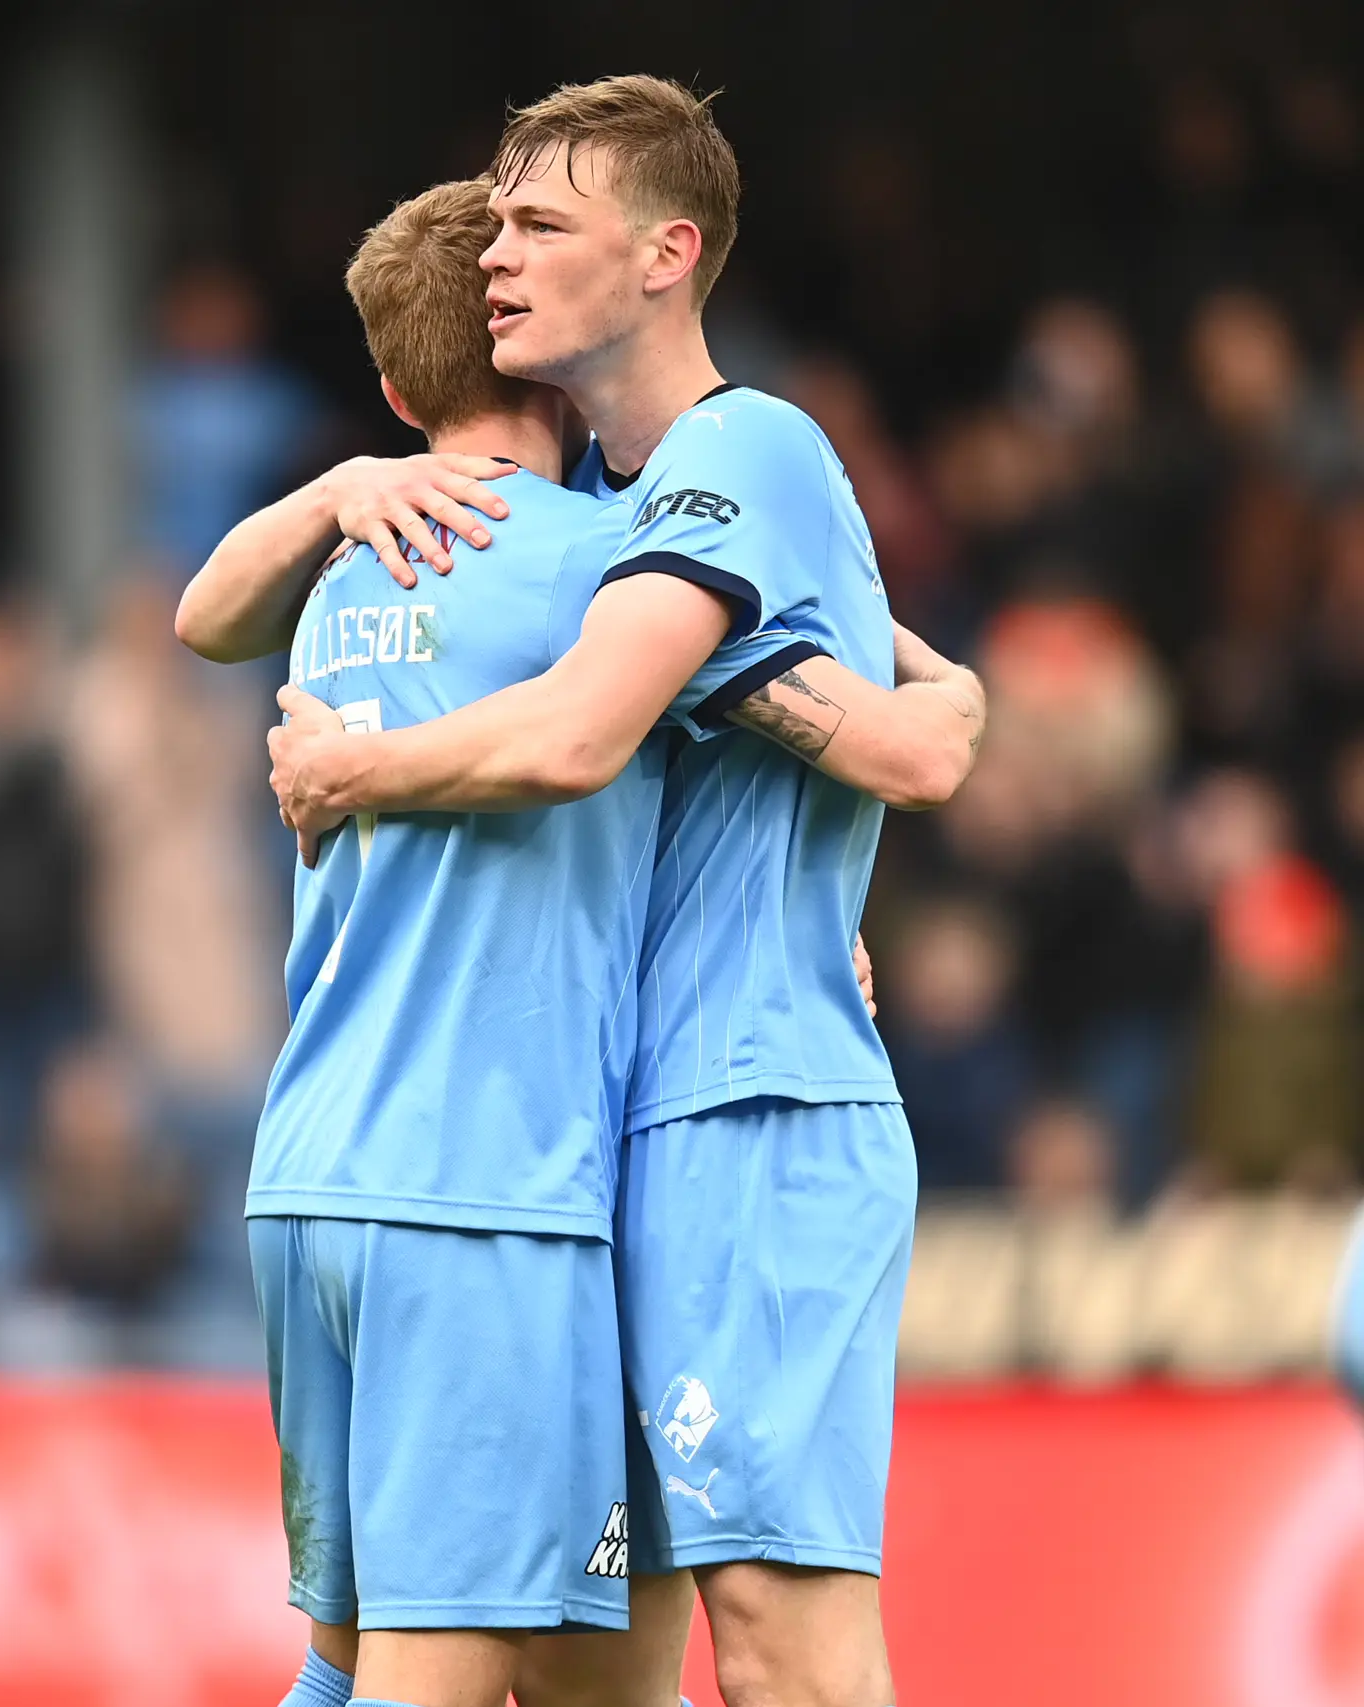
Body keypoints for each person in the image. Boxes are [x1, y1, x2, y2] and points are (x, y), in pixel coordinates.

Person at [187, 80, 987, 1707]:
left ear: (666, 255)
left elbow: (636, 730)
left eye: (541, 224)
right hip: (589, 1148)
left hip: (736, 1113)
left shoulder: (744, 447)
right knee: (586, 1671)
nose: (504, 257)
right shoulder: (601, 532)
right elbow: (886, 708)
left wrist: (353, 768)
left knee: (770, 1639)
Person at [180, 177, 656, 1707]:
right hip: (480, 1192)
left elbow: (199, 616)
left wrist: (333, 490)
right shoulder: (608, 571)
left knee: (352, 1654)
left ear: (393, 391)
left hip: (313, 1176)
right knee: (437, 1672)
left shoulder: (335, 580)